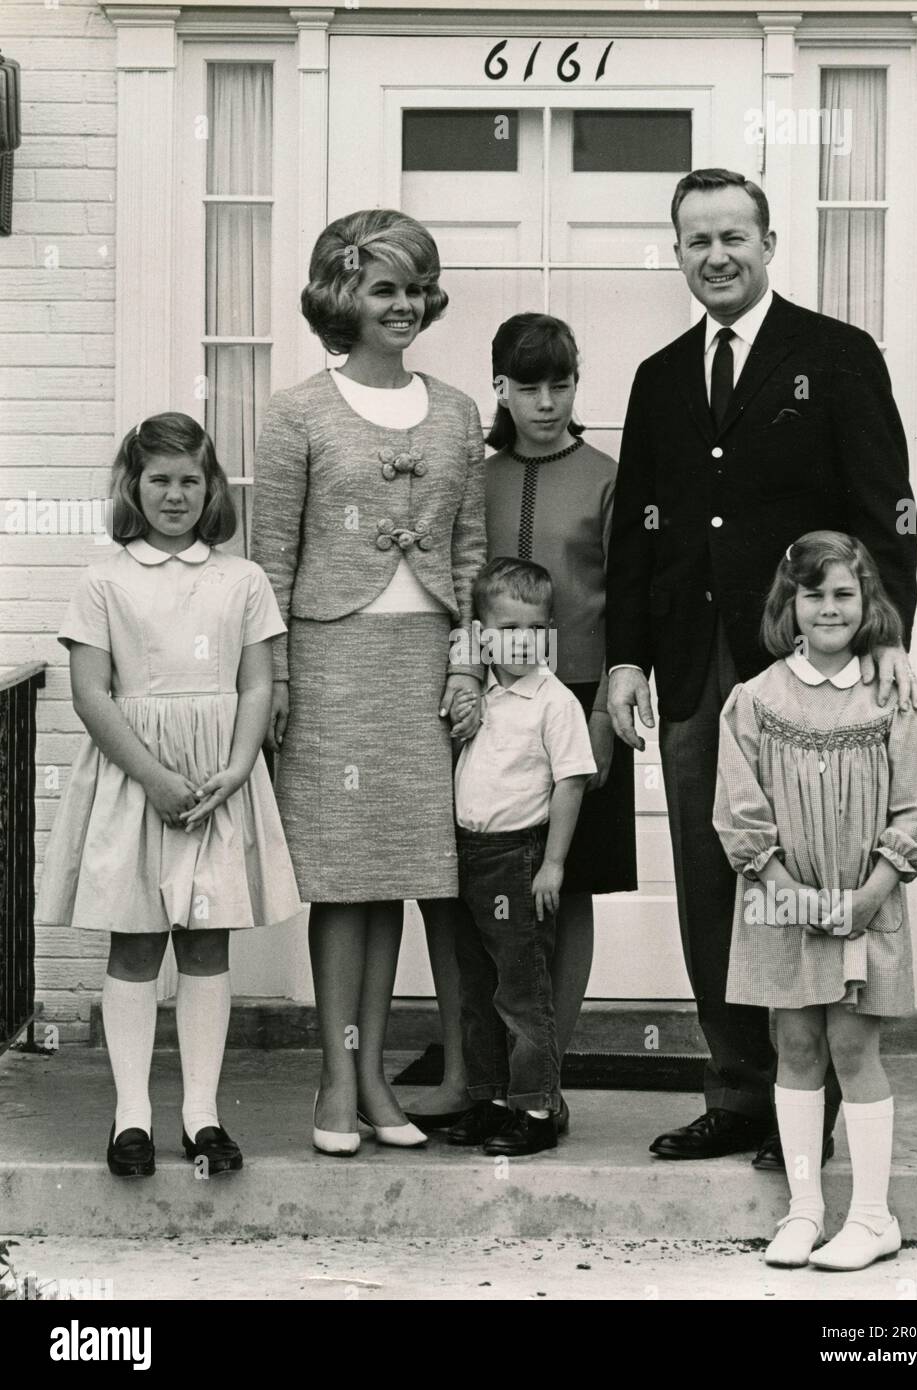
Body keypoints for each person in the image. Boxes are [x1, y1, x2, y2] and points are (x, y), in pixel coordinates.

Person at [606, 168, 917, 1165]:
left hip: (816, 675)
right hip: (700, 673)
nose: (717, 256)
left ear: (770, 242)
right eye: (697, 240)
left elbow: (885, 512)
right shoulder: (658, 376)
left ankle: (817, 1099)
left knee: (821, 872)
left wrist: (883, 643)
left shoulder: (834, 356)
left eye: (734, 236)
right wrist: (625, 658)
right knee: (719, 877)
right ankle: (740, 1089)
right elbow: (638, 534)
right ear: (678, 253)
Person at [251, 208, 486, 1156]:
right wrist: (274, 676)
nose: (403, 304)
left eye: (414, 287)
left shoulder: (461, 410)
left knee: (396, 876)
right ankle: (331, 1082)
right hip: (330, 660)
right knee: (342, 881)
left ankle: (376, 1079)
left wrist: (469, 663)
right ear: (343, 297)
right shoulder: (295, 411)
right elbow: (267, 557)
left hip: (424, 663)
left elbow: (467, 554)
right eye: (383, 287)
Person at [36, 413, 301, 1178]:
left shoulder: (240, 578)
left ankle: (202, 1115)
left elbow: (257, 682)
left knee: (206, 940)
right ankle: (130, 1117)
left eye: (190, 479)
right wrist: (152, 776)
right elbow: (91, 693)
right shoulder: (105, 581)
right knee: (137, 939)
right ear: (134, 487)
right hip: (135, 775)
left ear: (211, 486)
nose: (175, 495)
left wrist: (237, 766)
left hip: (218, 776)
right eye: (160, 480)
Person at [407, 313, 637, 1131]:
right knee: (472, 887)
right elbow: (458, 583)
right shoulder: (478, 478)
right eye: (527, 385)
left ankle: (548, 1076)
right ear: (498, 386)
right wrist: (465, 676)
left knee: (565, 887)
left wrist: (609, 704)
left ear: (576, 384)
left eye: (560, 383)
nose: (545, 401)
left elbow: (626, 597)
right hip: (489, 704)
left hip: (576, 701)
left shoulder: (610, 476)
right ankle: (476, 1074)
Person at [713, 531, 917, 1269]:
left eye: (844, 593)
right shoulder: (755, 701)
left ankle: (873, 1218)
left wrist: (872, 892)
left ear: (866, 602)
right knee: (797, 1043)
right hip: (784, 904)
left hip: (864, 903)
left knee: (851, 1042)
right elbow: (740, 816)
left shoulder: (891, 697)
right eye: (813, 595)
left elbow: (915, 806)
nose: (829, 608)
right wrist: (786, 892)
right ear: (790, 605)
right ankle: (804, 1210)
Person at [444, 558, 596, 1156]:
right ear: (479, 634)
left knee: (522, 992)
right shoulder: (476, 694)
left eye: (535, 628)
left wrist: (553, 864)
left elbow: (571, 783)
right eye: (506, 627)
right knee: (474, 987)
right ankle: (491, 1100)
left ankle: (537, 1108)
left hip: (518, 858)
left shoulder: (553, 703)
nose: (521, 640)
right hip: (467, 855)